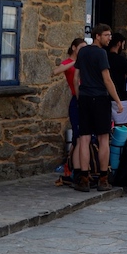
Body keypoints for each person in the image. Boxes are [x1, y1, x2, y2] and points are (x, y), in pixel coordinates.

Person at [73, 24, 123, 192]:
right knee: (103, 139)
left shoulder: (82, 52)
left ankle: (84, 179)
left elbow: (75, 78)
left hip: (85, 98)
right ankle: (103, 178)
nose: (110, 38)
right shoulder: (101, 53)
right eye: (107, 35)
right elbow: (107, 80)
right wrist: (118, 101)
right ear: (97, 36)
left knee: (84, 139)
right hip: (100, 98)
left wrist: (80, 96)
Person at [52, 37, 86, 178]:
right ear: (73, 48)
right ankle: (69, 164)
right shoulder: (70, 62)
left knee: (83, 136)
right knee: (78, 135)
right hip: (76, 99)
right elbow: (56, 71)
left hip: (87, 99)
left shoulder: (84, 62)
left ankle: (75, 165)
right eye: (80, 48)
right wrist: (74, 62)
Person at [107, 32, 127, 126]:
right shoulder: (121, 60)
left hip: (107, 97)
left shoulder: (104, 57)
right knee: (122, 127)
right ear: (119, 43)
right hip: (121, 96)